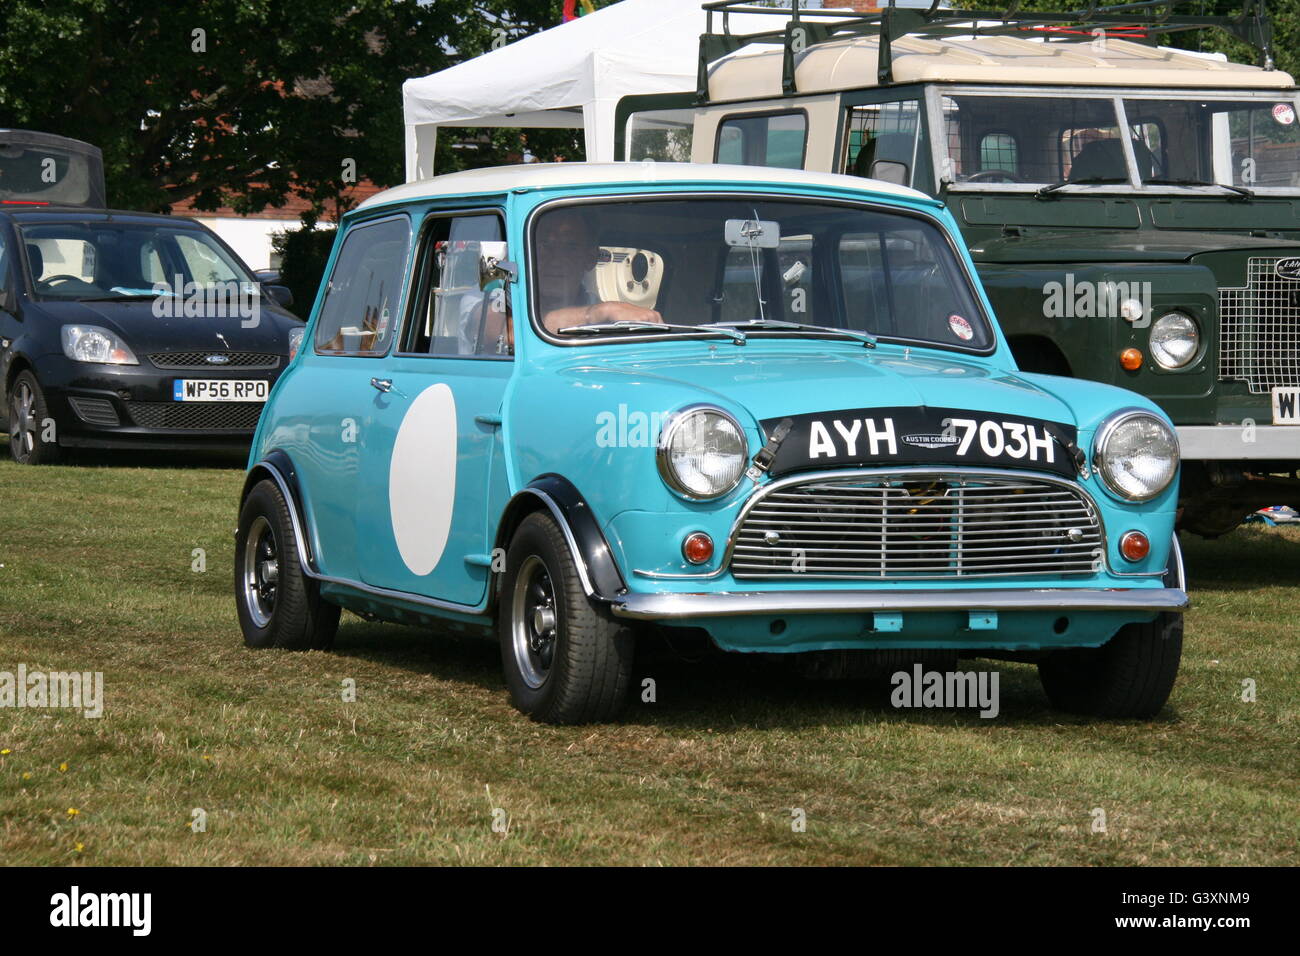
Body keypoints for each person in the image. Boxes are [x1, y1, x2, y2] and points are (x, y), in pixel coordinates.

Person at [536, 208, 662, 332]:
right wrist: (596, 314)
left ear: (590, 258)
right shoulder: (516, 300)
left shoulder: (608, 321)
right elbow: (518, 331)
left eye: (570, 247)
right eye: (544, 245)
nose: (555, 260)